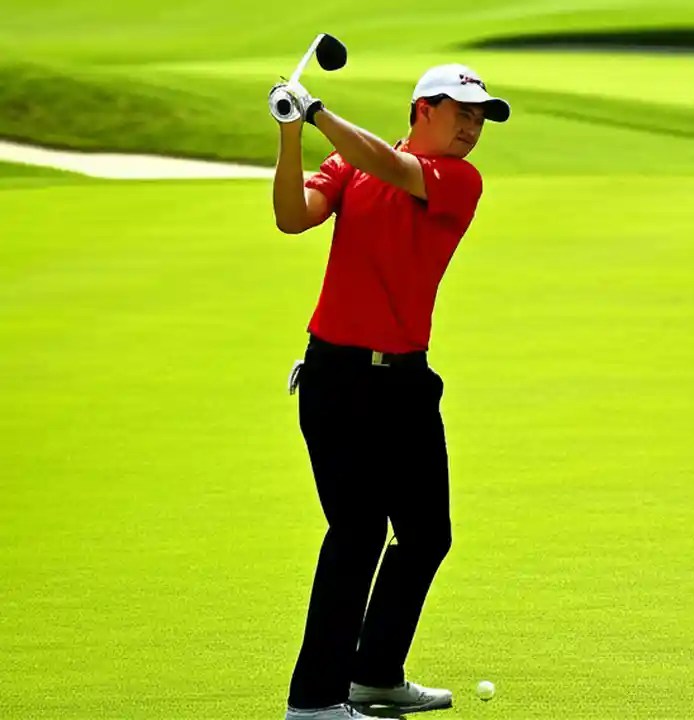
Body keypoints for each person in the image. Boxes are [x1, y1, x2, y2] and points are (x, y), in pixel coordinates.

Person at [270, 64, 510, 720]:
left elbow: (387, 164)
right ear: (422, 109)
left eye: (480, 116)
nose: (472, 126)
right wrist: (292, 133)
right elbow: (294, 217)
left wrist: (315, 111)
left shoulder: (458, 180)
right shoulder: (348, 168)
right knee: (357, 531)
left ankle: (373, 675)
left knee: (428, 534)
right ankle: (314, 701)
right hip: (337, 377)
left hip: (404, 383)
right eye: (461, 110)